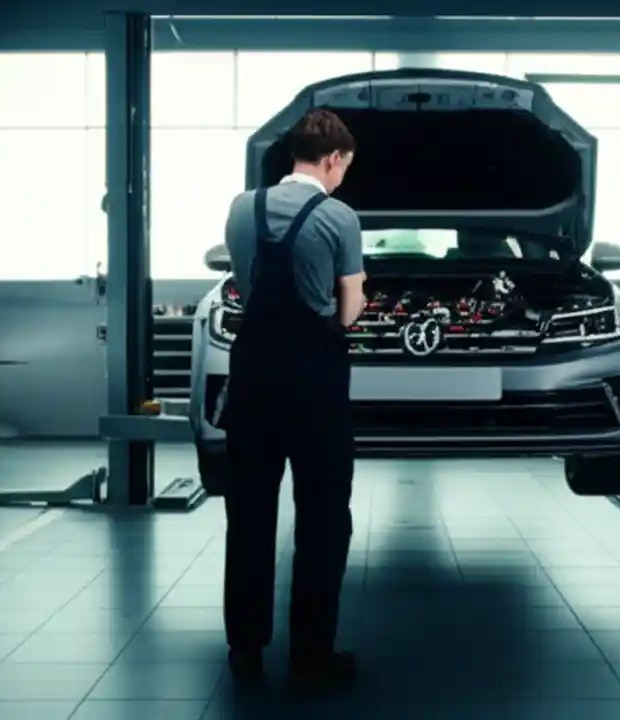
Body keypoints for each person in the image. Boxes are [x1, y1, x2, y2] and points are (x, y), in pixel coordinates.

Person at [220, 108, 365, 693]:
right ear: (332, 159)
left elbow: (244, 282)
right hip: (313, 381)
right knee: (324, 516)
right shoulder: (340, 217)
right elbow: (348, 310)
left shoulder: (241, 208)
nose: (343, 177)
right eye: (345, 166)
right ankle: (311, 655)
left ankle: (245, 648)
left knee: (249, 513)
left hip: (252, 374)